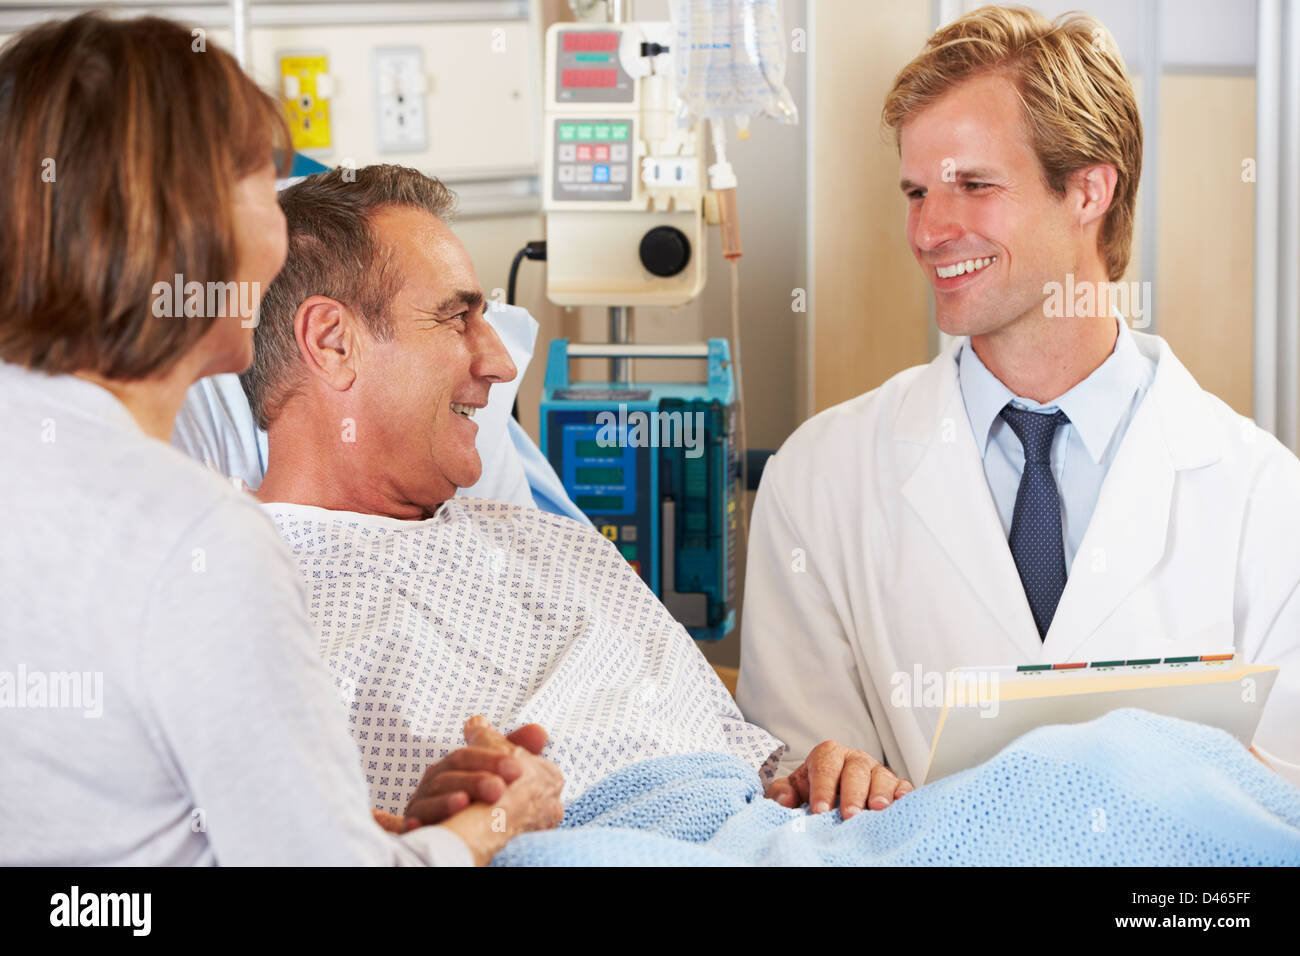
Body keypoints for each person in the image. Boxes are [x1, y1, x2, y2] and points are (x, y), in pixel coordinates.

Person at [0, 12, 561, 866]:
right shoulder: (197, 538)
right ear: (189, 228)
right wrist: (499, 819)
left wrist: (344, 820)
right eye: (265, 190)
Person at [239, 163, 913, 819]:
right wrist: (432, 842)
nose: (500, 364)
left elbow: (762, 779)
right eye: (454, 319)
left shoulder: (553, 539)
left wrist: (824, 773)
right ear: (332, 343)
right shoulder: (250, 623)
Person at [738, 6, 1300, 788]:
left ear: (1088, 191)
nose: (930, 231)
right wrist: (827, 779)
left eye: (974, 185)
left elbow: (1279, 813)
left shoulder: (1265, 499)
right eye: (915, 192)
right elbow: (802, 787)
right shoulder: (820, 478)